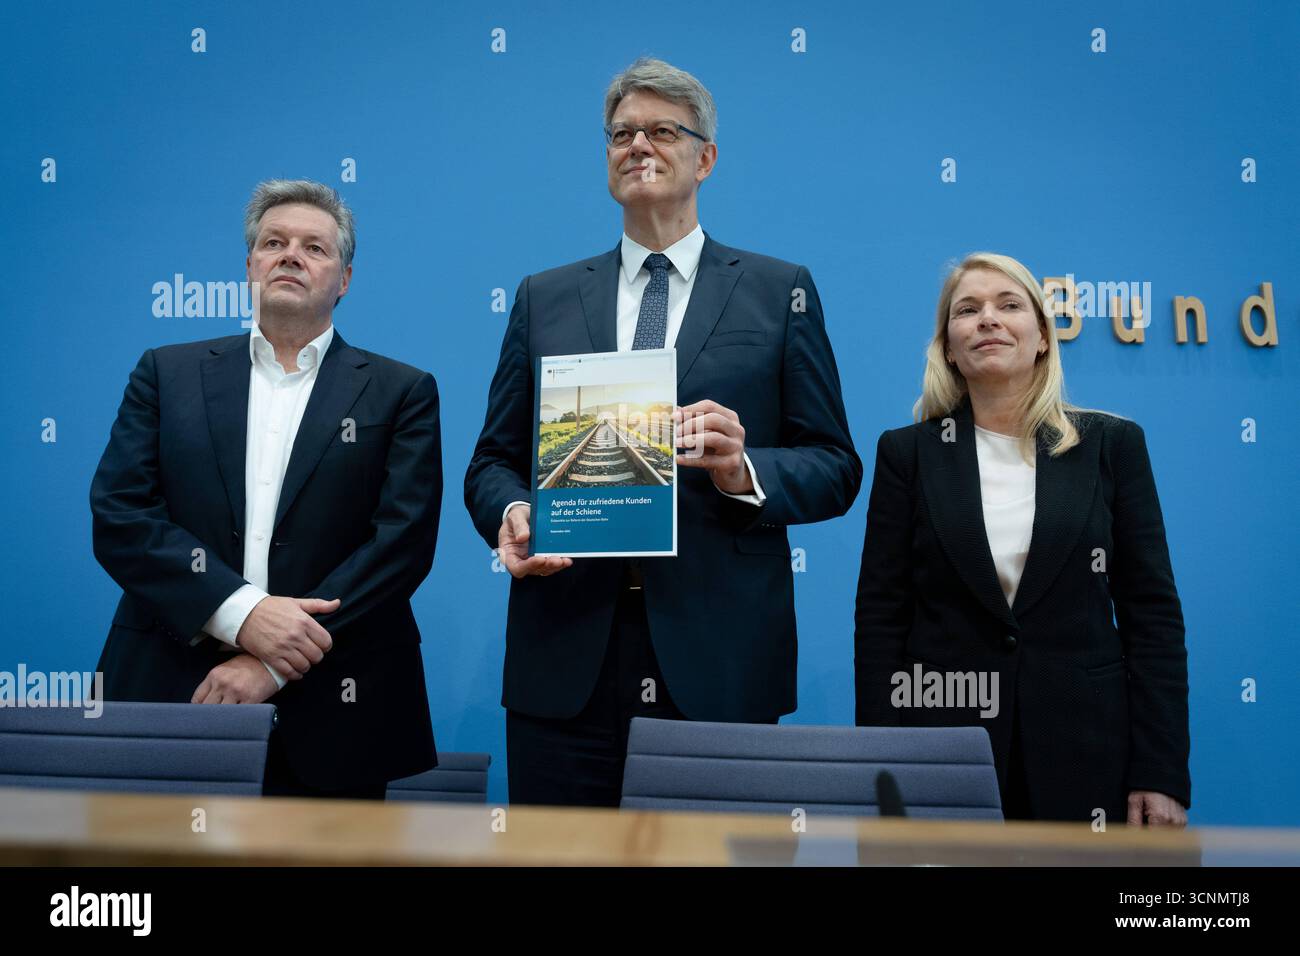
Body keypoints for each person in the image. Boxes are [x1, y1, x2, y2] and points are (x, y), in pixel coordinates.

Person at [465, 58, 861, 807]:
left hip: (722, 654)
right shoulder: (542, 297)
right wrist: (516, 513)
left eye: (661, 131)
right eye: (621, 133)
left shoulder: (781, 292)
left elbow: (835, 466)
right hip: (567, 647)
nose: (637, 145)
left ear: (705, 157)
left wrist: (743, 469)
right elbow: (491, 462)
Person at [91, 179, 442, 799]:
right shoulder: (165, 374)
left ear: (345, 279)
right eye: (273, 243)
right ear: (249, 266)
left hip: (338, 705)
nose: (290, 256)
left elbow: (401, 545)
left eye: (314, 247)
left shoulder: (401, 391)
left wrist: (274, 659)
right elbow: (121, 517)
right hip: (170, 688)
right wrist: (244, 614)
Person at [854, 252, 1190, 825]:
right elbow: (882, 616)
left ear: (1041, 337)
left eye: (1009, 305)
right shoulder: (906, 454)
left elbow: (1151, 616)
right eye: (968, 310)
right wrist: (885, 762)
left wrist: (1160, 773)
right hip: (943, 750)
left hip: (1085, 749)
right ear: (949, 347)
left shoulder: (1112, 445)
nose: (988, 319)